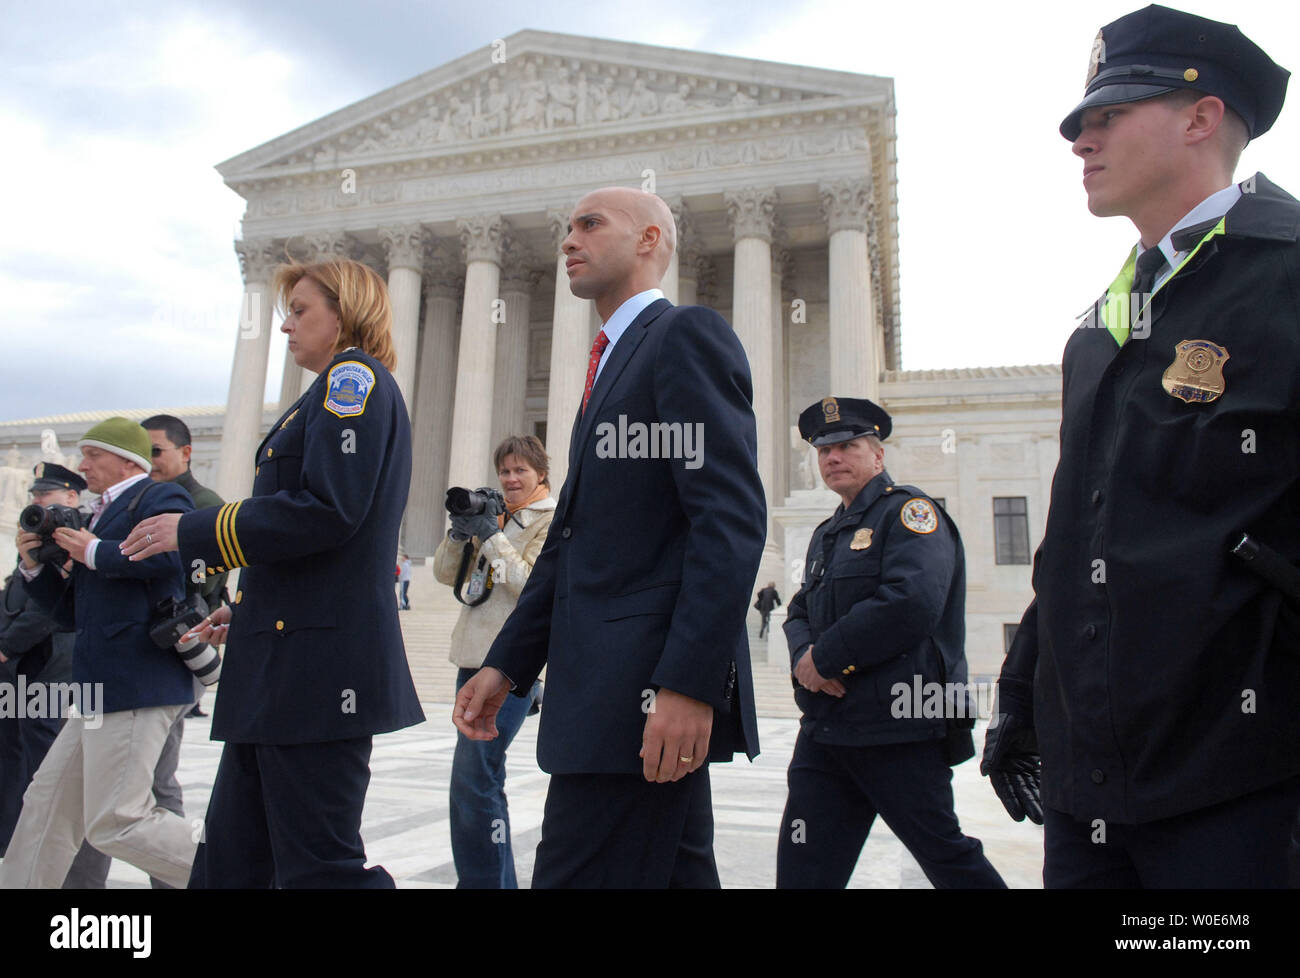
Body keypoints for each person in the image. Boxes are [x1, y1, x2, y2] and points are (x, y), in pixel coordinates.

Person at [982, 4, 1300, 888]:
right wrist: (1024, 692)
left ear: (1200, 117)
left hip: (1241, 785)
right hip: (1092, 792)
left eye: (1109, 116)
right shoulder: (1103, 325)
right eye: (1081, 122)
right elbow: (1076, 534)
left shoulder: (1288, 272)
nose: (1081, 140)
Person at [455, 186, 766, 888]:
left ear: (650, 239)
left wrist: (686, 685)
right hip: (605, 697)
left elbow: (728, 519)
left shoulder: (682, 335)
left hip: (638, 697)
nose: (569, 239)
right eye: (566, 226)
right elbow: (571, 542)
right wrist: (508, 665)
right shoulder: (610, 366)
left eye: (590, 224)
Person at [123, 257, 424, 888]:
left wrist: (194, 531)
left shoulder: (353, 380)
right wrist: (251, 604)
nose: (285, 326)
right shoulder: (321, 395)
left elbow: (328, 511)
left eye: (301, 310)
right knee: (233, 863)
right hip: (287, 661)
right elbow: (321, 536)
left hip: (316, 672)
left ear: (344, 314)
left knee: (320, 868)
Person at [776, 397, 1005, 889]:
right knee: (803, 869)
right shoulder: (827, 533)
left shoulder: (909, 514)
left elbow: (912, 602)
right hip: (826, 732)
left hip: (897, 731)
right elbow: (799, 611)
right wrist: (804, 659)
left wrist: (828, 656)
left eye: (847, 446)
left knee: (946, 857)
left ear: (877, 456)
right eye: (824, 451)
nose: (833, 457)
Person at [0, 420, 198, 889]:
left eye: (92, 455)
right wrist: (34, 570)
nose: (82, 464)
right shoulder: (97, 514)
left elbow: (171, 559)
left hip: (136, 682)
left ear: (127, 460)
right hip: (98, 690)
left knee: (118, 822)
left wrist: (94, 552)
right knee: (45, 808)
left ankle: (242, 871)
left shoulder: (156, 497)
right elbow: (73, 612)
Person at [433, 434, 551, 888]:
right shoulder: (498, 516)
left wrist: (494, 537)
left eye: (521, 470)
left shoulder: (548, 518)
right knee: (480, 777)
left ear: (541, 472)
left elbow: (531, 586)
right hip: (473, 658)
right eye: (505, 471)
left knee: (474, 777)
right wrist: (461, 534)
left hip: (512, 665)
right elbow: (448, 576)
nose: (511, 478)